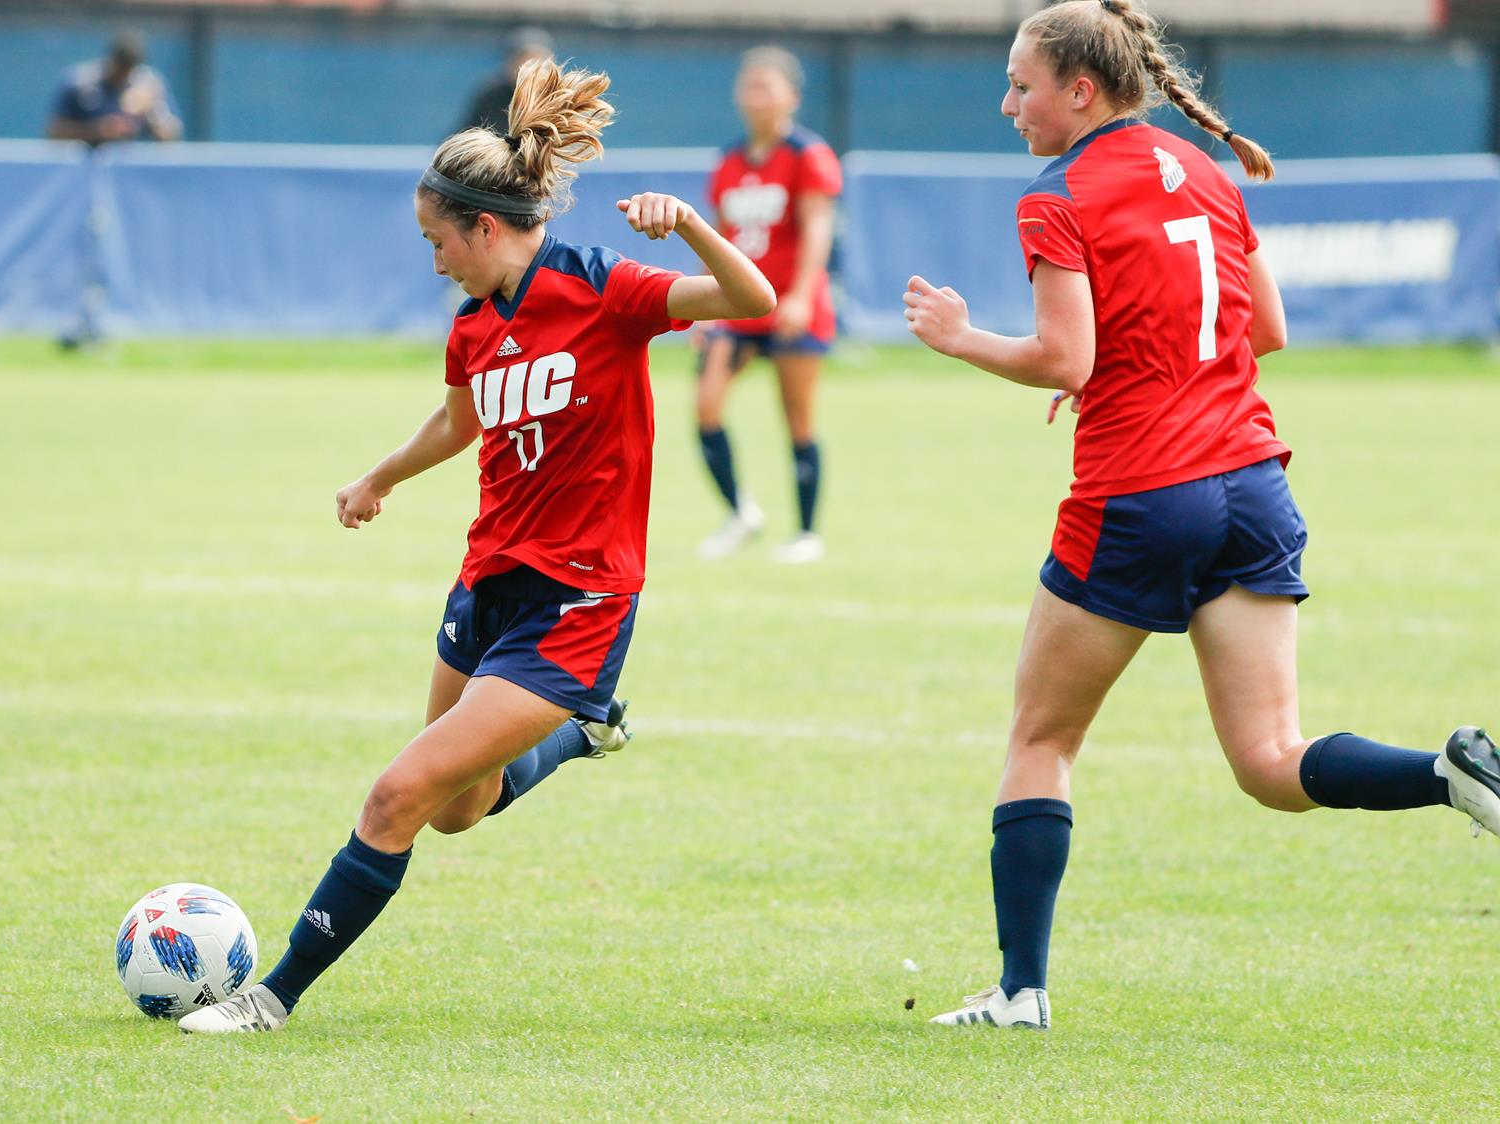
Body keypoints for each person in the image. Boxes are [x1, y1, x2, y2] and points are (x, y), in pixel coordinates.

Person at [903, 0, 1499, 1031]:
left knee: (1040, 738)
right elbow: (1264, 328)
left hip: (1141, 493)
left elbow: (1064, 358)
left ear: (1079, 90)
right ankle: (1448, 773)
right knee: (1271, 762)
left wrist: (959, 336)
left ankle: (1020, 991)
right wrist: (1126, 371)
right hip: (1251, 484)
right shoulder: (1202, 168)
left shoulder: (1056, 194)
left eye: (1020, 84)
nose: (1007, 105)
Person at [180, 58, 775, 1034]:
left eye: (438, 241)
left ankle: (269, 997)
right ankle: (582, 731)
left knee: (397, 794)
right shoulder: (472, 324)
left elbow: (752, 298)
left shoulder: (604, 288)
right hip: (487, 581)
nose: (434, 263)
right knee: (457, 806)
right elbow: (458, 424)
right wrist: (378, 477)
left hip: (577, 603)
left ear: (485, 228)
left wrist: (691, 226)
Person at [695, 47, 841, 563]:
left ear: (791, 96)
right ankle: (741, 513)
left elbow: (818, 227)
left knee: (797, 419)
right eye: (748, 86)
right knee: (706, 407)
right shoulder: (729, 160)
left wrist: (801, 295)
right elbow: (717, 238)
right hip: (739, 307)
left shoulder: (807, 154)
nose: (755, 96)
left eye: (766, 86)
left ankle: (806, 533)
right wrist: (704, 300)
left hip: (791, 307)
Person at [47, 30, 182, 145]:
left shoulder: (148, 85)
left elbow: (170, 135)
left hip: (131, 164)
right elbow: (55, 132)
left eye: (128, 70)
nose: (123, 76)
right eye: (120, 68)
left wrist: (151, 113)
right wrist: (98, 131)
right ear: (111, 60)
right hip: (85, 164)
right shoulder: (79, 82)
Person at [459, 27, 553, 135]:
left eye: (536, 60)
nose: (530, 67)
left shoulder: (555, 98)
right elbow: (466, 135)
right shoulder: (490, 97)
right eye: (524, 59)